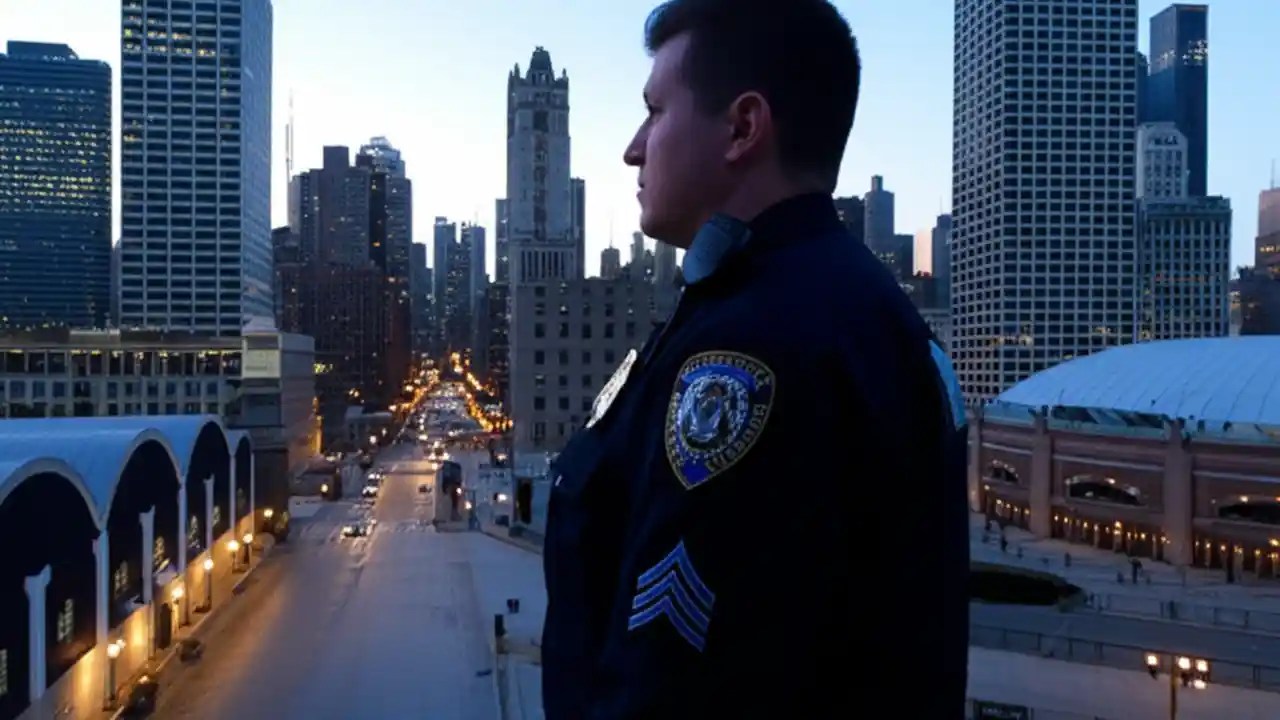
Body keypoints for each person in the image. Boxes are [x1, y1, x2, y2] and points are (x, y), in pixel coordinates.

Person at [541, 0, 969, 717]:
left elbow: (678, 686)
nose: (634, 147)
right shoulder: (864, 310)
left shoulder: (749, 349)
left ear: (743, 127)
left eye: (655, 110)